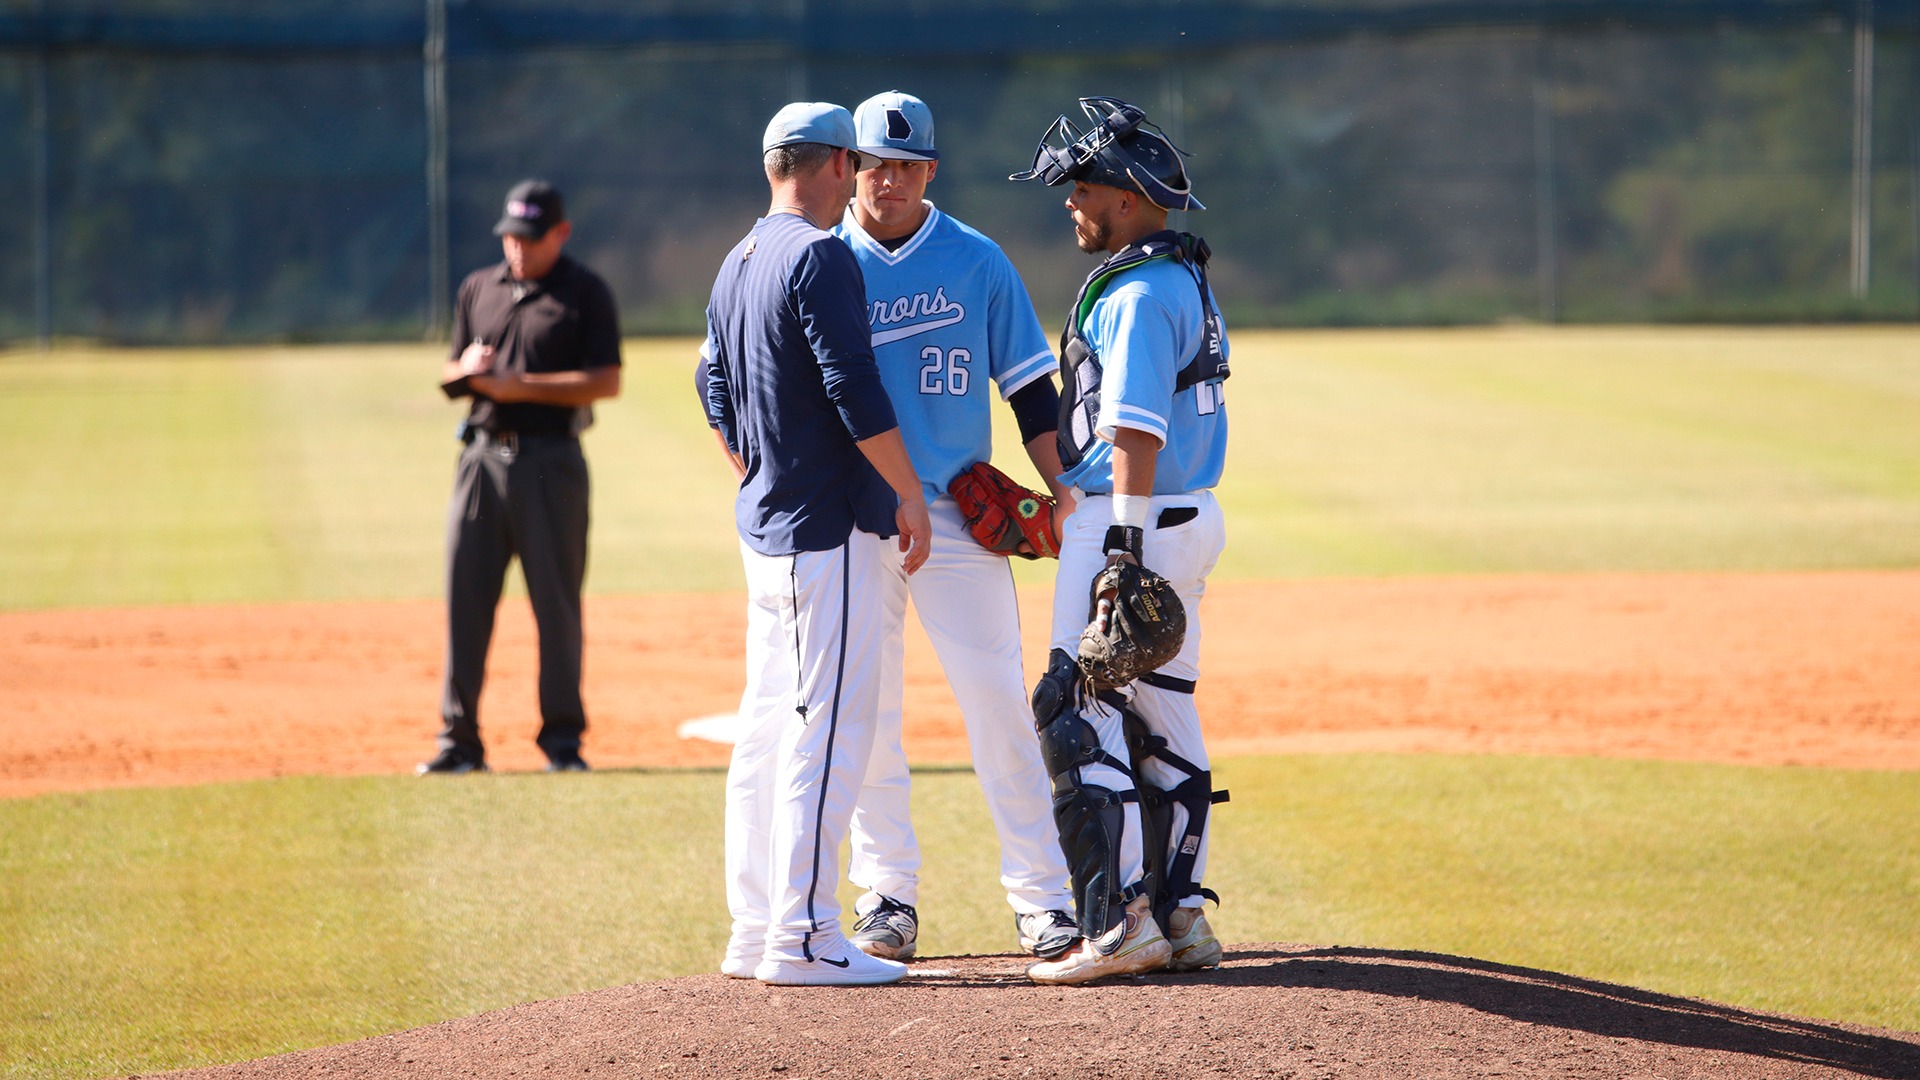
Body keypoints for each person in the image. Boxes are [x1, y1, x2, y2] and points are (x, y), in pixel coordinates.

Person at [827, 91, 1081, 965]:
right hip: (859, 520)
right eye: (872, 164)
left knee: (998, 707)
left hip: (957, 518)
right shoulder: (823, 263)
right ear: (848, 167)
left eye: (905, 165)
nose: (888, 179)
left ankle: (1044, 899)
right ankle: (886, 896)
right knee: (868, 712)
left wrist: (1064, 491)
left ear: (930, 170)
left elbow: (1030, 391)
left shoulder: (976, 260)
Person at [702, 101, 933, 987]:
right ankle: (802, 938)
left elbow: (711, 381)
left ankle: (755, 926)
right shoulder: (820, 253)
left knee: (767, 730)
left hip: (769, 529)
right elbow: (853, 385)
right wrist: (908, 490)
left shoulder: (740, 258)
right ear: (835, 162)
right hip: (826, 530)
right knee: (827, 730)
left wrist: (758, 467)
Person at [1008, 96, 1232, 984]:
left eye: (1083, 186)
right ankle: (1183, 918)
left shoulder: (1137, 292)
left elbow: (1134, 432)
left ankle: (1118, 920)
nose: (1071, 200)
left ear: (1129, 197)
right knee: (1163, 707)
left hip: (1130, 519)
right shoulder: (1182, 277)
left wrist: (1118, 552)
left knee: (1075, 707)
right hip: (1190, 519)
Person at [422, 179, 623, 776]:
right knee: (465, 601)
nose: (519, 249)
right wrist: (465, 369)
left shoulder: (584, 293)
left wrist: (521, 387)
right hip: (479, 461)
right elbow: (451, 372)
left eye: (531, 239)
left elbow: (606, 380)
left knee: (555, 606)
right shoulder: (477, 288)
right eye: (512, 237)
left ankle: (562, 743)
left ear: (559, 234)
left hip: (551, 463)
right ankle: (459, 743)